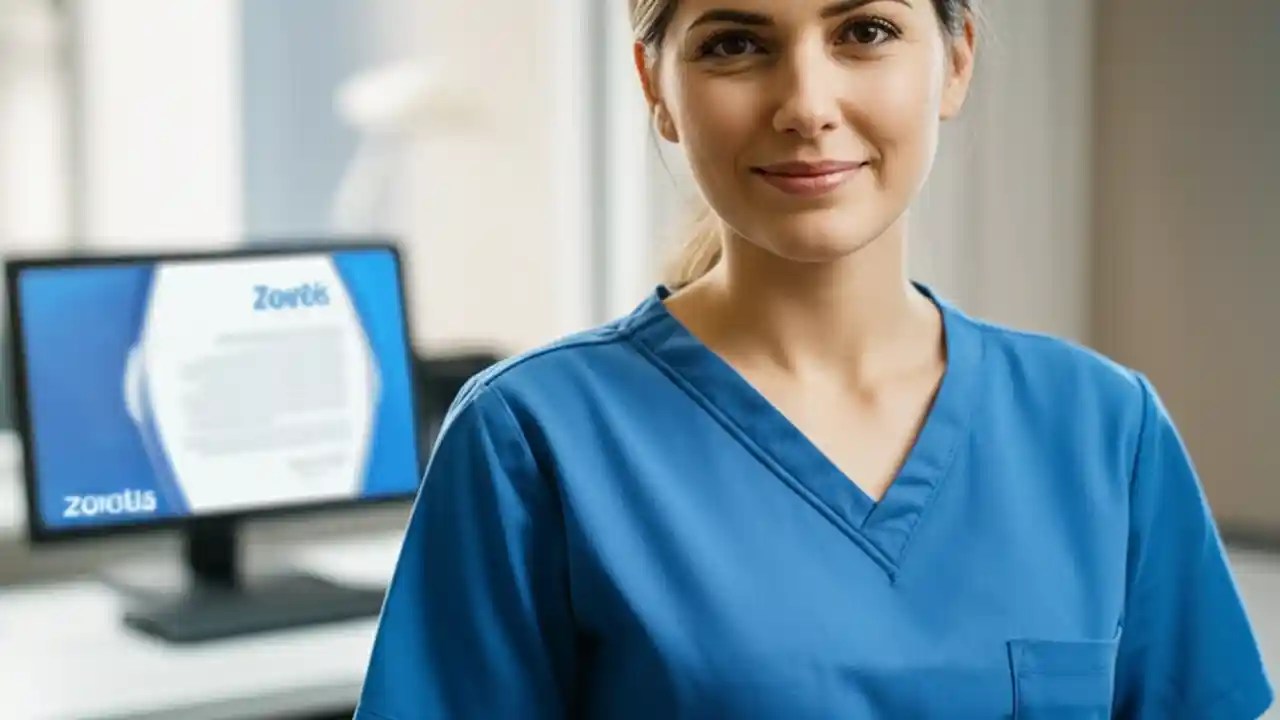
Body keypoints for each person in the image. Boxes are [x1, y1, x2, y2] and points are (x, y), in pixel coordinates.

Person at [354, 0, 1275, 717]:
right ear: (654, 88)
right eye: (733, 44)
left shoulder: (1104, 429)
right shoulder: (531, 439)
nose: (806, 105)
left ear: (954, 62)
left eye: (866, 31)